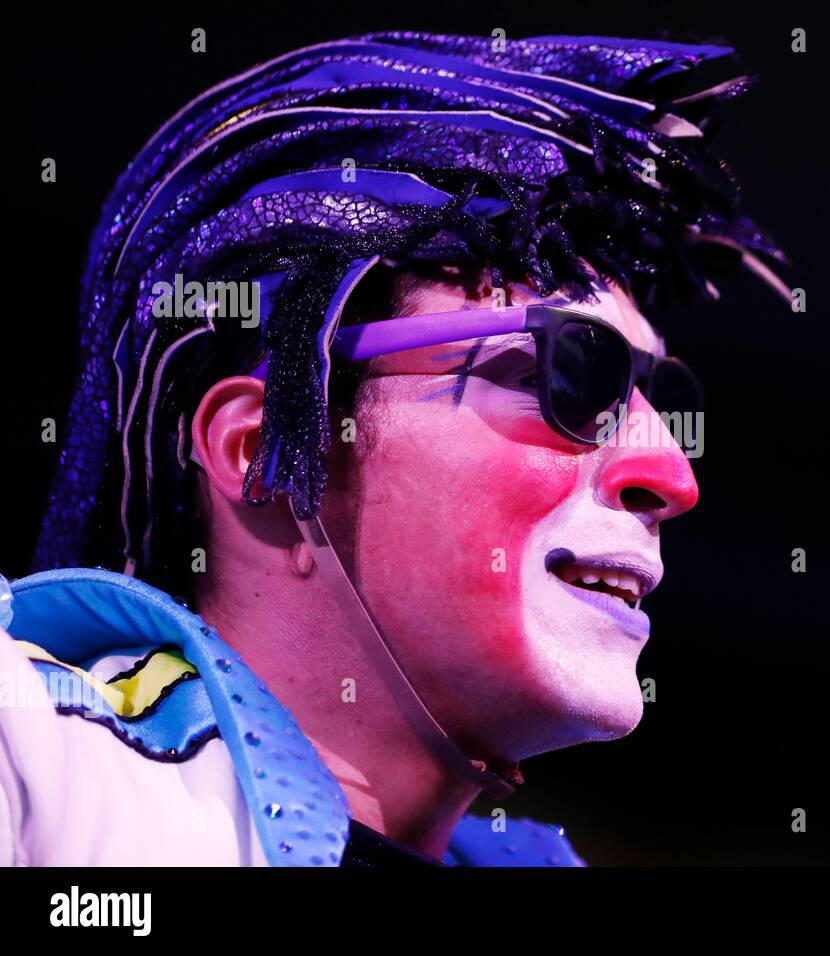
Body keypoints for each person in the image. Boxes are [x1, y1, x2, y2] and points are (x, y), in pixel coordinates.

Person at [0, 31, 786, 867]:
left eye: (660, 400)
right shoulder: (31, 764)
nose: (671, 474)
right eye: (574, 374)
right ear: (265, 453)